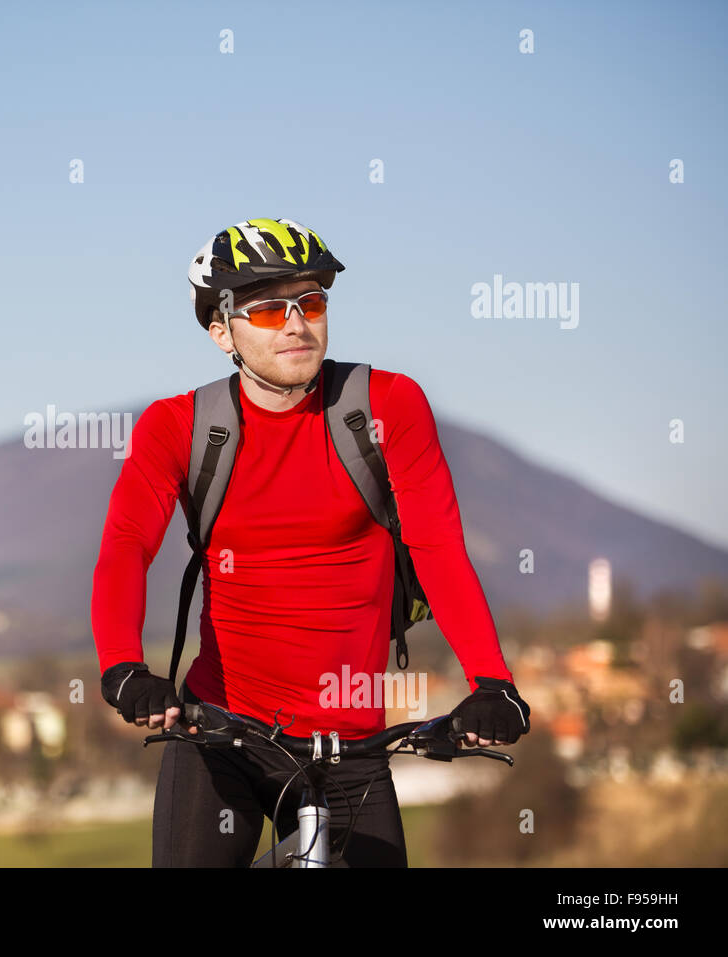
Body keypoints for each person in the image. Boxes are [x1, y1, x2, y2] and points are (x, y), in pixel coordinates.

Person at [90, 217, 531, 867]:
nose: (297, 324)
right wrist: (123, 668)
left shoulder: (387, 408)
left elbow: (439, 547)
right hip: (222, 734)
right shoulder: (178, 428)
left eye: (311, 303)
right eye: (269, 310)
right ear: (221, 331)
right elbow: (127, 544)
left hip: (350, 747)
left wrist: (494, 681)